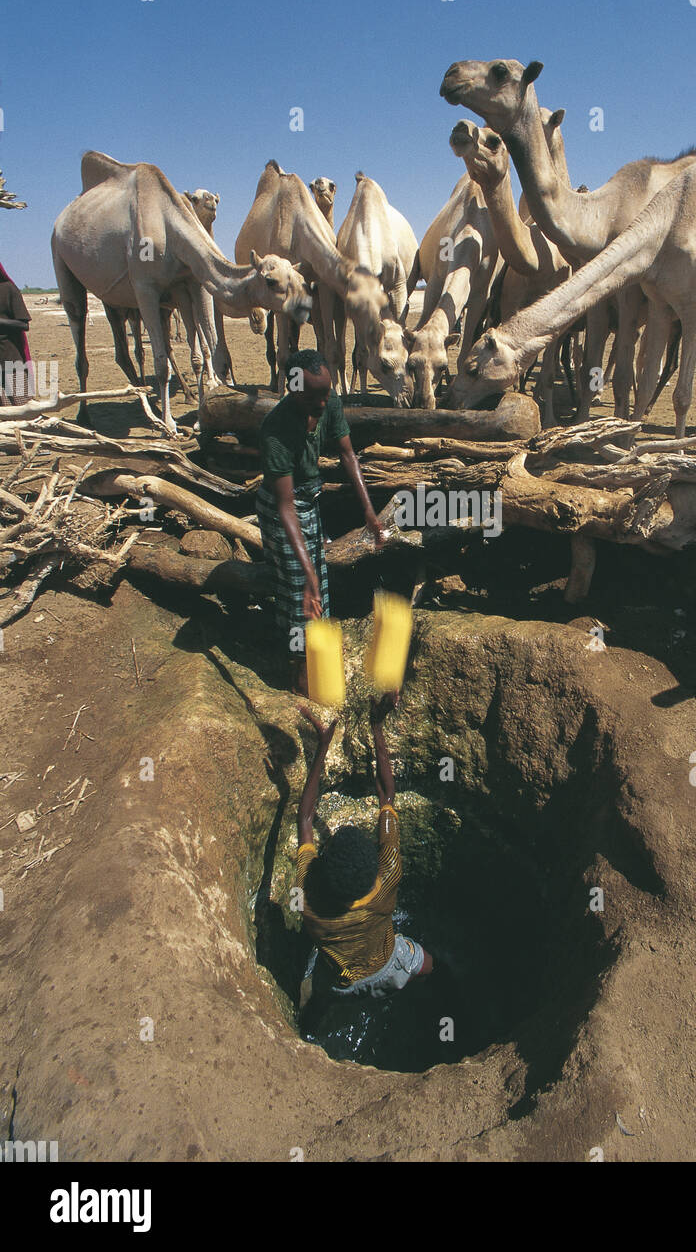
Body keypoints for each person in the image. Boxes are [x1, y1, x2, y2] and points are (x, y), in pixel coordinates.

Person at [295, 692, 433, 1023]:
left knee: (320, 997)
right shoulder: (388, 876)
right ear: (373, 868)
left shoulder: (308, 901)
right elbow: (387, 794)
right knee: (428, 963)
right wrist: (376, 725)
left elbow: (305, 818)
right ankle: (422, 1000)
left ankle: (315, 1017)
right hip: (390, 966)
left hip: (341, 983)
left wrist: (321, 748)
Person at [255, 348, 385, 693]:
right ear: (295, 390)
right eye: (317, 396)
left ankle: (314, 661)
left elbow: (347, 455)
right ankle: (298, 675)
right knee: (301, 593)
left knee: (318, 595)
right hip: (282, 510)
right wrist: (309, 573)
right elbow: (285, 507)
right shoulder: (275, 432)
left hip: (309, 501)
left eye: (328, 393)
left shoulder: (326, 400)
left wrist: (369, 512)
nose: (326, 402)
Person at [0, 261, 33, 405]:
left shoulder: (8, 289)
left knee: (23, 405)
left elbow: (23, 324)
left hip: (11, 357)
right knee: (5, 412)